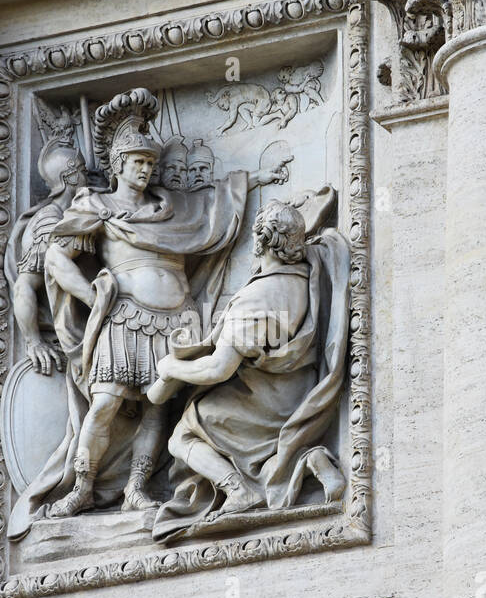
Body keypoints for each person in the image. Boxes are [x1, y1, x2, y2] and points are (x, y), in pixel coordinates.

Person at [7, 88, 290, 535]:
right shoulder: (95, 206)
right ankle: (82, 485)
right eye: (137, 162)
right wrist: (92, 297)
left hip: (177, 320)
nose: (145, 170)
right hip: (124, 317)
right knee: (106, 402)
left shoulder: (169, 208)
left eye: (150, 163)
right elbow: (57, 261)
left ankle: (137, 487)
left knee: (158, 407)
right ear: (117, 165)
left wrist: (260, 178)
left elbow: (214, 203)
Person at [146, 196, 348, 544]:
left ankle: (239, 490)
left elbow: (219, 369)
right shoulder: (306, 275)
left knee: (184, 436)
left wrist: (172, 366)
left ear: (259, 241)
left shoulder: (257, 298)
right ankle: (307, 458)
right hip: (298, 391)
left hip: (266, 403)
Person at [2, 139, 87, 375]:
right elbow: (24, 285)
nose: (87, 176)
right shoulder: (48, 221)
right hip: (66, 331)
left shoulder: (76, 210)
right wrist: (34, 342)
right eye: (82, 171)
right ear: (69, 177)